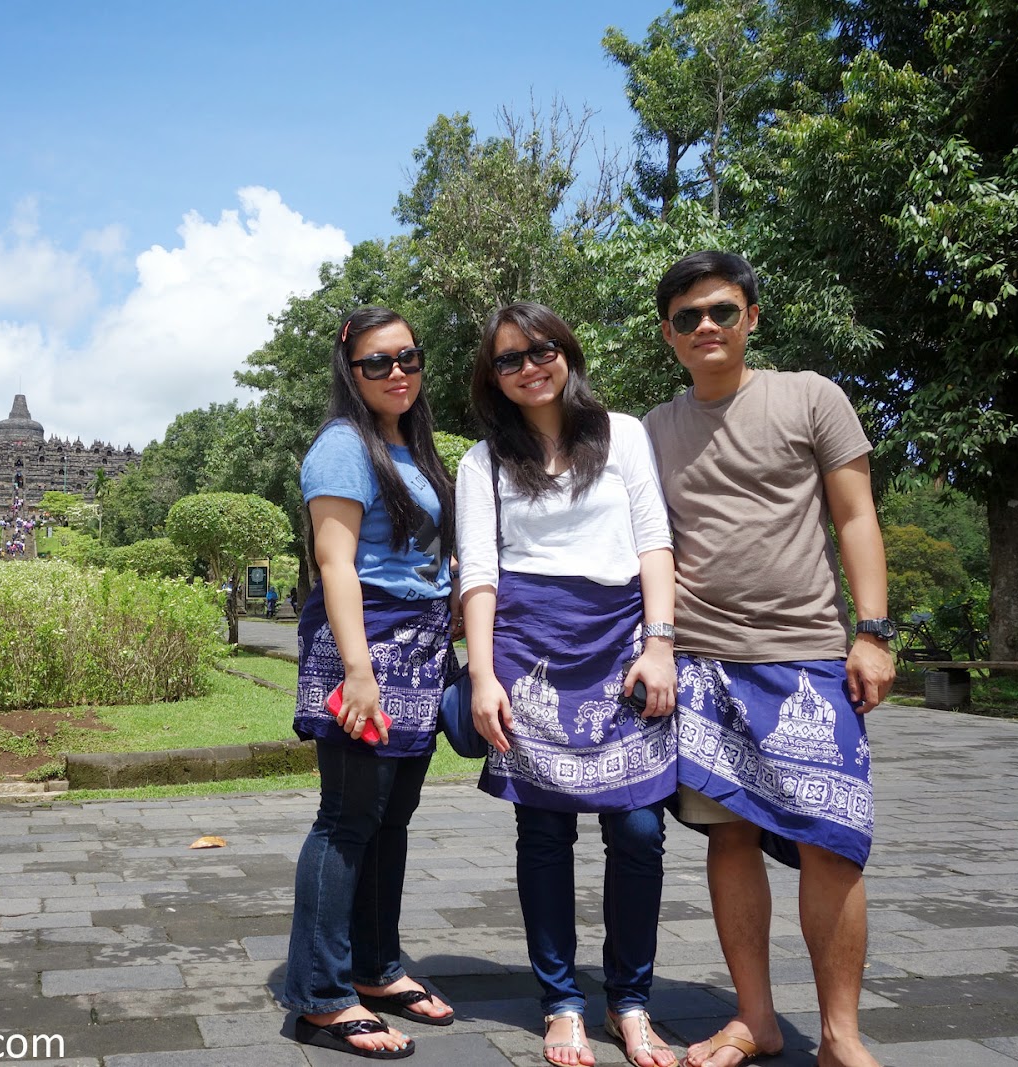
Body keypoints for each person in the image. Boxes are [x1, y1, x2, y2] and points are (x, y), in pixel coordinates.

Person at [641, 252, 893, 1067]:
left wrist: (874, 629)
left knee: (832, 841)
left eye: (720, 310)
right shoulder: (655, 427)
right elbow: (652, 545)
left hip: (806, 655)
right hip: (704, 661)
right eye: (687, 317)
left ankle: (841, 1034)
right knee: (730, 839)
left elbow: (855, 516)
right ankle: (756, 1017)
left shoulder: (810, 396)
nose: (705, 326)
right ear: (669, 334)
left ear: (752, 316)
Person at [458, 303, 679, 1067]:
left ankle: (632, 999)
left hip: (619, 647)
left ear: (566, 351)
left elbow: (654, 540)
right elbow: (480, 572)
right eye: (510, 359)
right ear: (494, 377)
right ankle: (560, 1000)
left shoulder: (623, 434)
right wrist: (483, 674)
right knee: (544, 832)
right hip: (529, 653)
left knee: (640, 830)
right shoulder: (480, 462)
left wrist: (661, 645)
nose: (529, 366)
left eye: (541, 349)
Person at [280, 306, 457, 1060]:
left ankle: (377, 967)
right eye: (377, 362)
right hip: (367, 648)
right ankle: (321, 995)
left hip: (418, 651)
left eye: (408, 357)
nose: (397, 373)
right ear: (350, 373)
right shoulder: (343, 447)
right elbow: (336, 563)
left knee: (392, 817)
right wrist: (358, 670)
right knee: (348, 818)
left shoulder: (411, 448)